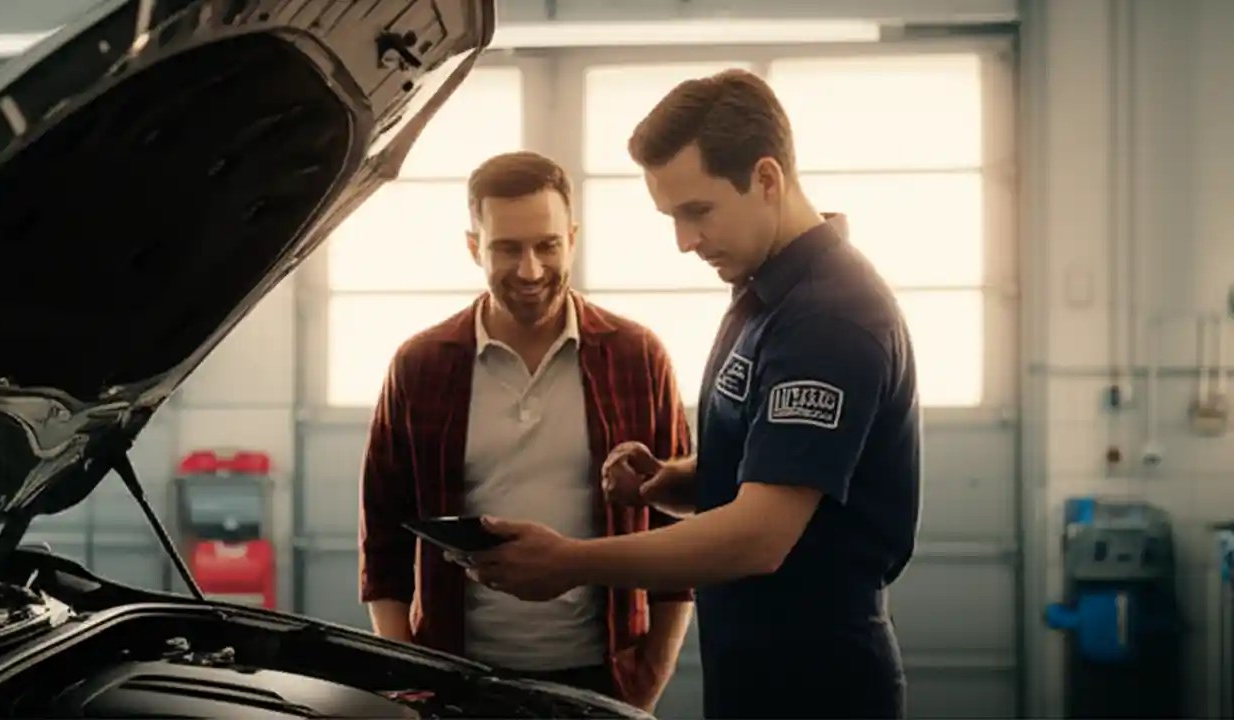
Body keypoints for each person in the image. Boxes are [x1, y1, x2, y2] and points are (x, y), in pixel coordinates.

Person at [463, 69, 922, 719]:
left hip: (820, 680)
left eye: (697, 211)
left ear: (766, 179)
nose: (684, 241)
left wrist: (570, 562)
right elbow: (780, 467)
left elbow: (759, 536)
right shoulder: (766, 296)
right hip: (755, 666)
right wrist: (672, 482)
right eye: (672, 216)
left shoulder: (829, 319)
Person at [357, 150, 695, 712]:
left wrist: (647, 681)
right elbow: (384, 543)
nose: (531, 270)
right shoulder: (420, 365)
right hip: (454, 684)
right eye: (507, 248)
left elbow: (673, 534)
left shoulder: (637, 356)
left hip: (604, 683)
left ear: (574, 238)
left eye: (547, 245)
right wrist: (409, 688)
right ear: (474, 247)